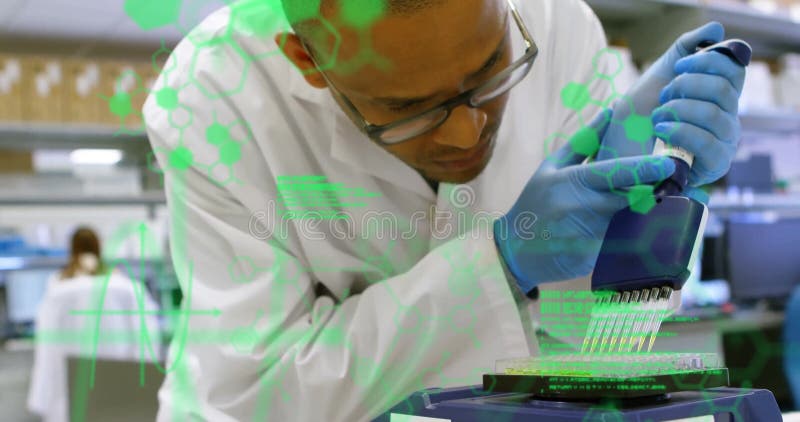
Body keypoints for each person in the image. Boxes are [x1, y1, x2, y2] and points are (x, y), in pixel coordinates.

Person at [143, 0, 746, 420]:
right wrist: (500, 264)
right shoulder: (216, 98)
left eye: (490, 73)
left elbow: (585, 336)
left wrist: (652, 204)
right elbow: (258, 395)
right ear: (309, 59)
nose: (464, 135)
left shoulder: (559, 27)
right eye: (410, 107)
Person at [28, 227, 161, 422]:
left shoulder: (58, 290)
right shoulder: (127, 288)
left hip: (71, 389)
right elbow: (148, 340)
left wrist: (42, 395)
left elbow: (46, 347)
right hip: (118, 386)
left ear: (72, 249)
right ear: (99, 247)